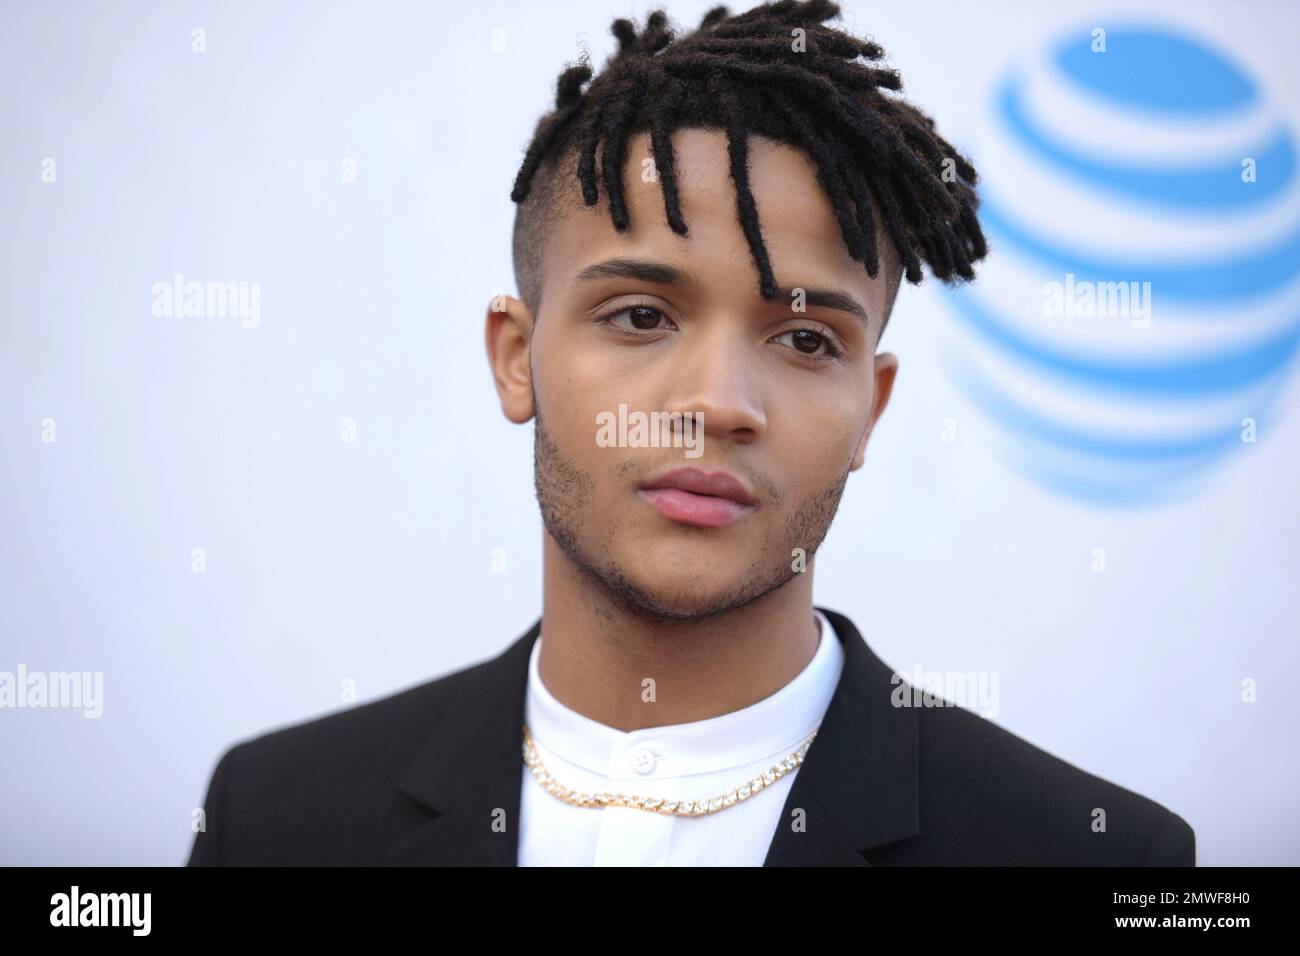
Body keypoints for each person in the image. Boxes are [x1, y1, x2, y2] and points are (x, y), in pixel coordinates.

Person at [187, 0, 1194, 866]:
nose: (718, 402)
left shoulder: (1087, 849)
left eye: (804, 337)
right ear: (514, 355)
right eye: (640, 316)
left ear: (869, 410)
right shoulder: (277, 814)